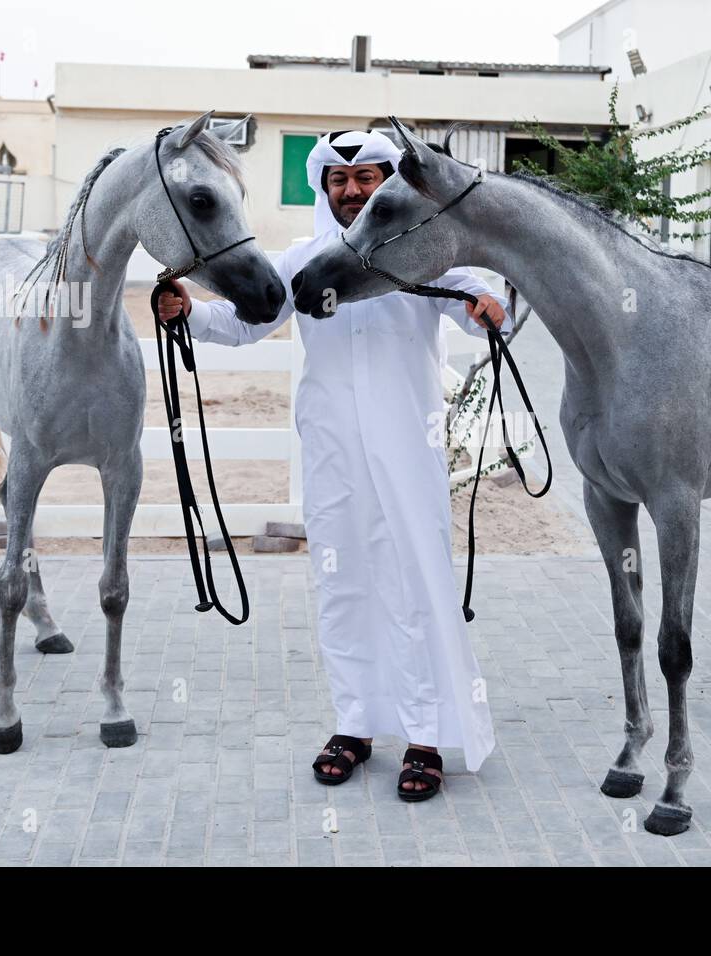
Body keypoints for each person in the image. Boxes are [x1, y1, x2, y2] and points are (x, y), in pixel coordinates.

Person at [157, 129, 511, 800]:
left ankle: (426, 734)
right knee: (343, 586)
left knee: (412, 586)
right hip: (332, 454)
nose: (352, 191)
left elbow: (482, 301)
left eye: (367, 178)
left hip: (408, 450)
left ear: (387, 183)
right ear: (325, 187)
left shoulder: (424, 252)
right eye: (340, 181)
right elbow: (244, 322)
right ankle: (354, 724)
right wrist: (189, 313)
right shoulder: (302, 261)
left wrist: (492, 310)